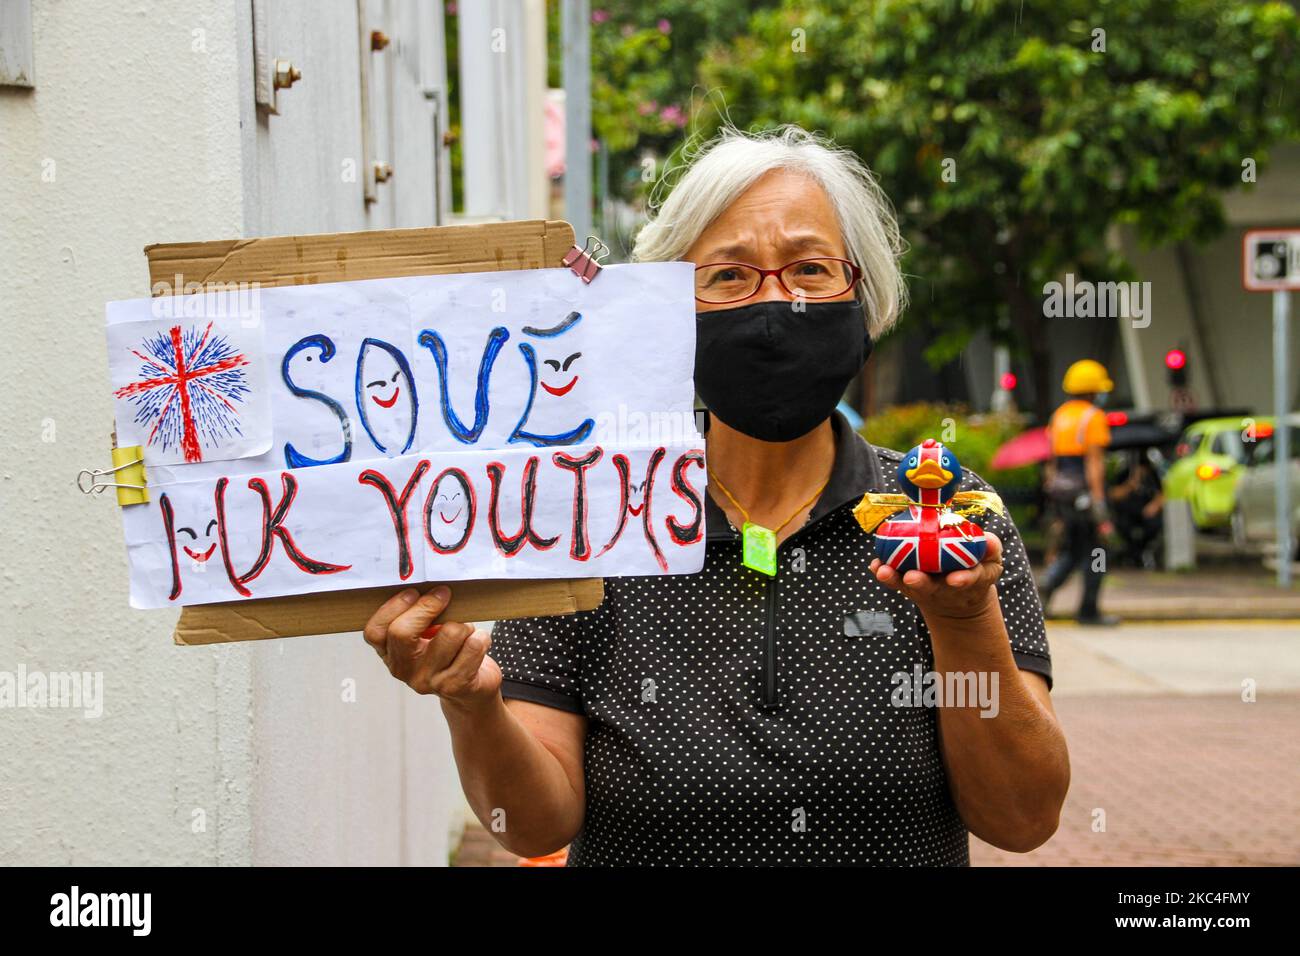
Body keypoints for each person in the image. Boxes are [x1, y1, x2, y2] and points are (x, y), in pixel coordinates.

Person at [362, 126, 1069, 866]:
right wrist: (472, 701)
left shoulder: (946, 515)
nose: (776, 303)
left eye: (810, 268)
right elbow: (534, 825)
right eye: (728, 276)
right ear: (665, 313)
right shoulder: (590, 512)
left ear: (866, 297)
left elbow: (1022, 819)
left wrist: (963, 620)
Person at [1037, 359, 1119, 625]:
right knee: (1097, 551)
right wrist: (1099, 501)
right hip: (1084, 493)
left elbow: (1052, 461)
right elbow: (1094, 463)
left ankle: (1047, 585)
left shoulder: (1059, 415)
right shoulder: (1093, 417)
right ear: (1094, 390)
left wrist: (1052, 493)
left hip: (1062, 492)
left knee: (1073, 549)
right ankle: (1088, 610)